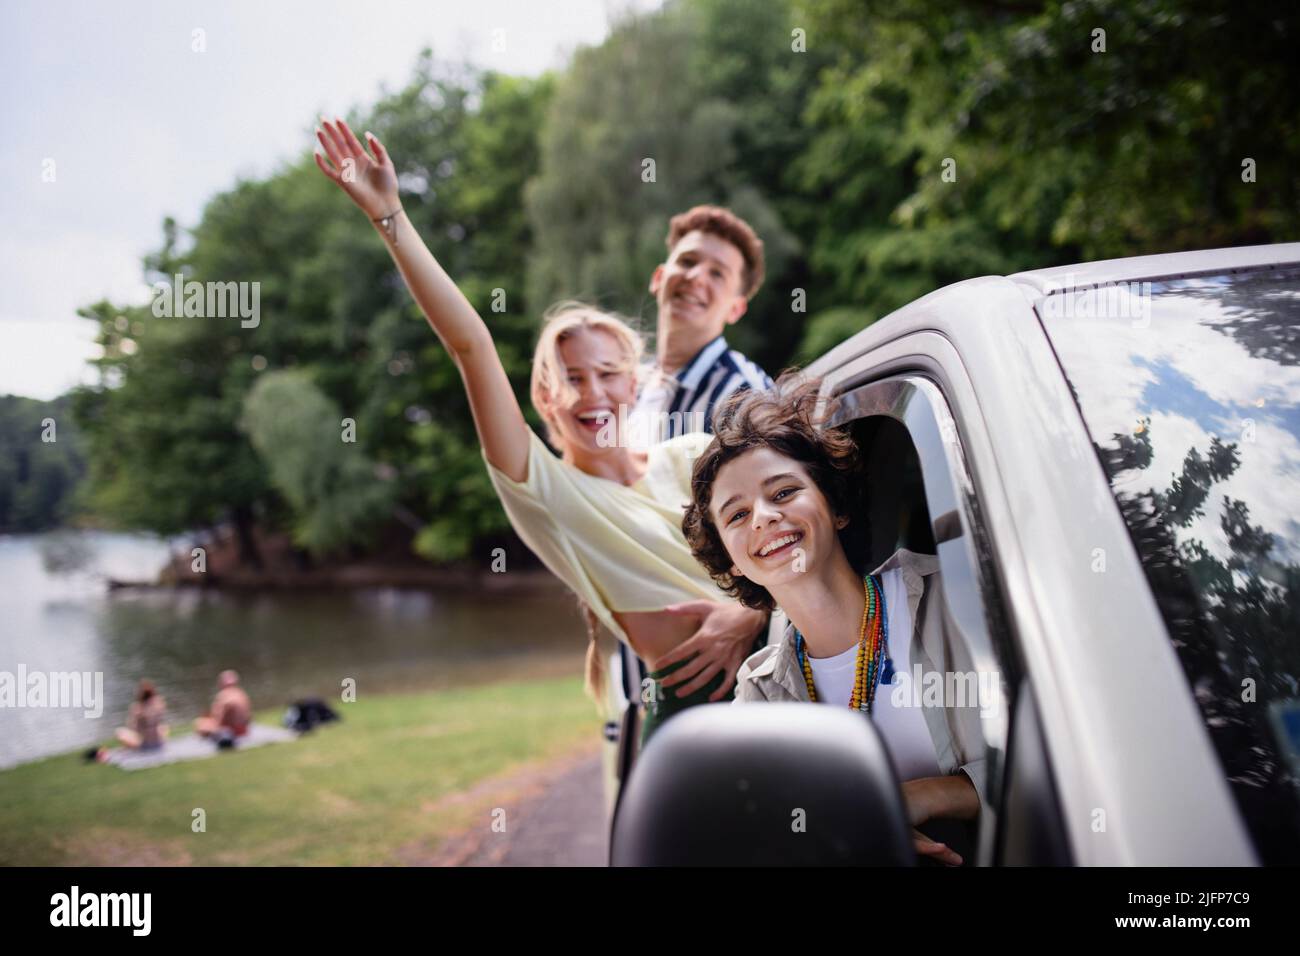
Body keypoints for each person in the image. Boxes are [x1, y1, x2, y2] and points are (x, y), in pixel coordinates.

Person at [312, 118, 767, 743]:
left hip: (784, 667)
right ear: (546, 400)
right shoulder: (546, 494)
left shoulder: (693, 453)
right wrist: (390, 215)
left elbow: (787, 540)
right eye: (571, 379)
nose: (593, 392)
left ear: (635, 387)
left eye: (608, 373)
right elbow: (470, 345)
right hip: (703, 717)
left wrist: (749, 612)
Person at [681, 376, 989, 865]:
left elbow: (1057, 756)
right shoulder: (761, 694)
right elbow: (758, 830)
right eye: (736, 516)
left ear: (837, 506)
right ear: (733, 559)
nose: (762, 517)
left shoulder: (955, 600)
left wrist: (932, 794)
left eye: (782, 493)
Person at [195, 670, 252, 746]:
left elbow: (223, 714)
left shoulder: (223, 695)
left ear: (221, 684)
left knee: (200, 723)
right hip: (243, 730)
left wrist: (215, 726)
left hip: (230, 731)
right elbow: (248, 717)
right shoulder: (241, 694)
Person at [113, 679, 169, 751]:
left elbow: (133, 728)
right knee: (164, 727)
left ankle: (129, 748)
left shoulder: (137, 708)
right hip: (159, 743)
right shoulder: (159, 704)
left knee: (119, 732)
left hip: (145, 745)